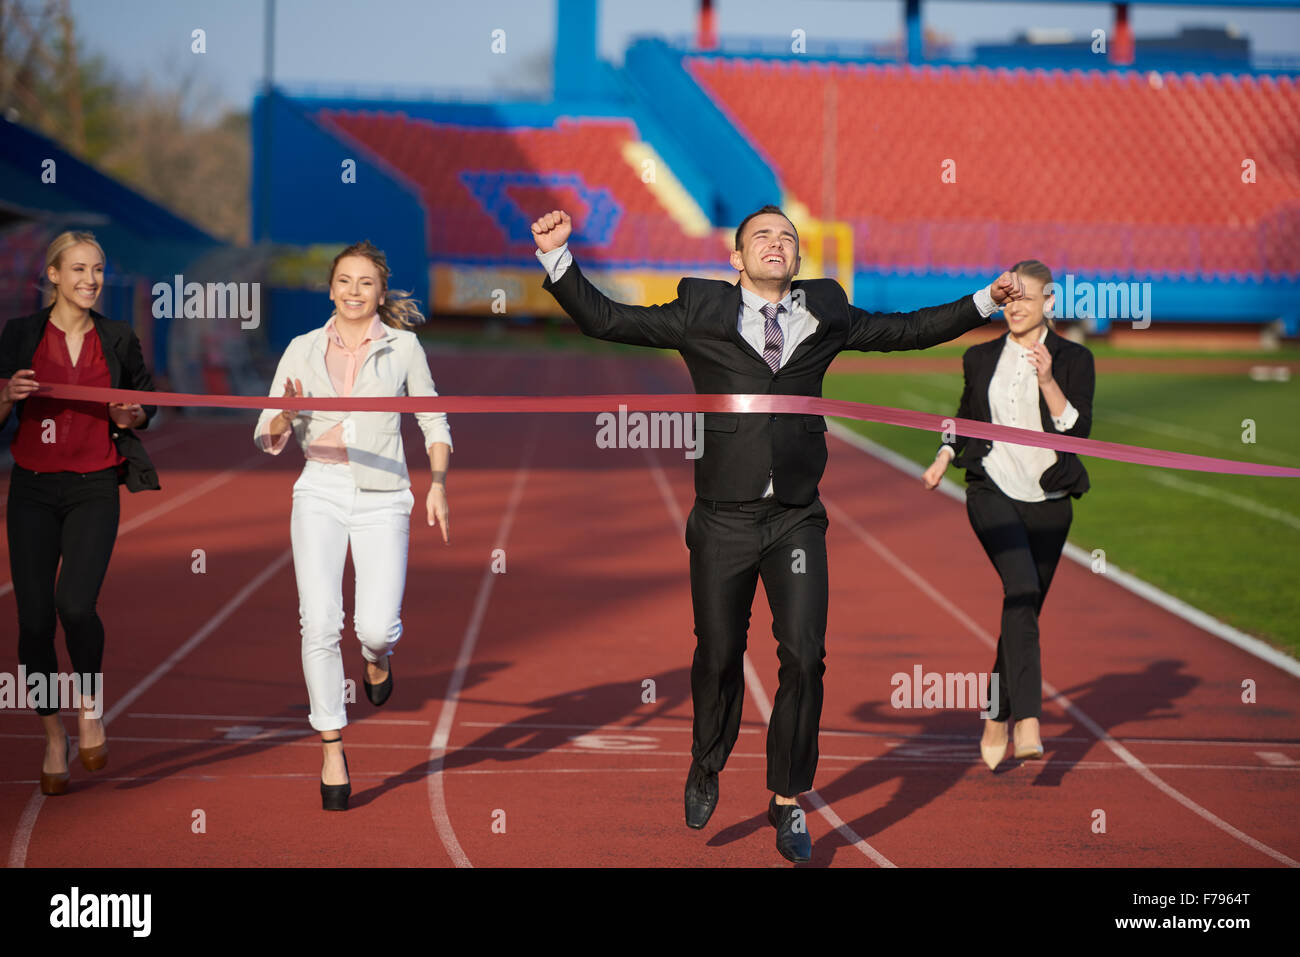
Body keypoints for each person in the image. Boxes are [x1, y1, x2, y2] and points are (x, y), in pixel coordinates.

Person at [533, 205, 1025, 862]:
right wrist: (557, 258)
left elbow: (908, 330)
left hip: (795, 518)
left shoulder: (825, 313)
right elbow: (607, 319)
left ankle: (789, 798)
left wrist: (983, 300)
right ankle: (706, 761)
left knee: (803, 656)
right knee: (717, 653)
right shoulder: (699, 310)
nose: (776, 243)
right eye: (761, 236)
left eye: (787, 237)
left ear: (796, 259)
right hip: (723, 519)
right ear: (735, 259)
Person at [254, 240, 452, 811]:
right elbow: (267, 435)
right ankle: (332, 745)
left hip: (385, 492)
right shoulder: (301, 348)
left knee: (375, 628)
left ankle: (377, 657)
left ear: (381, 292)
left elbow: (432, 418)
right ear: (332, 286)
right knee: (318, 623)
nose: (354, 291)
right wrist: (286, 416)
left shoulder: (405, 348)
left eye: (366, 282)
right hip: (318, 487)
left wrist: (437, 483)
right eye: (345, 280)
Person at [0, 230, 160, 796]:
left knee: (76, 605)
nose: (90, 280)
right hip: (32, 491)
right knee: (36, 621)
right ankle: (51, 736)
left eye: (96, 270)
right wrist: (7, 397)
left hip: (94, 486)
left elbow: (146, 410)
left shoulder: (118, 338)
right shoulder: (19, 335)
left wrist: (129, 417)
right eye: (78, 270)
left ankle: (89, 706)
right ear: (53, 275)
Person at [920, 259, 1094, 770]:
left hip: (1051, 502)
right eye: (1009, 298)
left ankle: (996, 714)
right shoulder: (979, 356)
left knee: (1023, 612)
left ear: (1049, 303)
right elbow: (965, 417)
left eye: (1025, 298)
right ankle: (1029, 721)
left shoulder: (1074, 358)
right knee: (1019, 591)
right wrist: (943, 457)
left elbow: (1075, 432)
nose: (1014, 307)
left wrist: (1047, 379)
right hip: (991, 489)